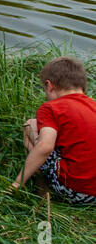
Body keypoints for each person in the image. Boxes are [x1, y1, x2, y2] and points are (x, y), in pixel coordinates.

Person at [13, 57, 96, 206]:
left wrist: (16, 183)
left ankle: (41, 184)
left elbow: (45, 147)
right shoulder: (93, 106)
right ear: (83, 87)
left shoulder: (51, 108)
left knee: (30, 125)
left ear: (49, 85)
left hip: (75, 192)